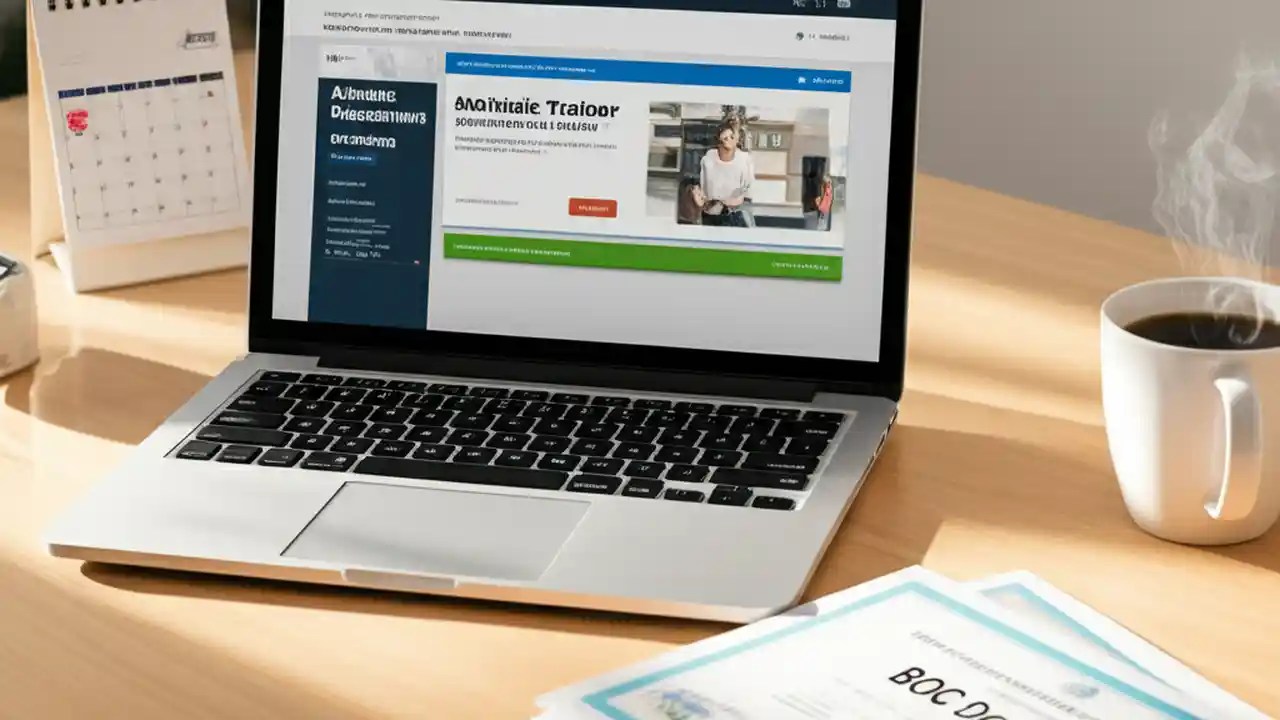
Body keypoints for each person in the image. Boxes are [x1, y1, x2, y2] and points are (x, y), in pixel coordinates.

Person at [698, 123, 754, 228]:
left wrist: (734, 201)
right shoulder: (708, 159)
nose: (729, 140)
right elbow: (704, 188)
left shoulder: (744, 159)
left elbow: (747, 188)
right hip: (712, 212)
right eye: (725, 138)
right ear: (718, 141)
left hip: (737, 211)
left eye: (732, 137)